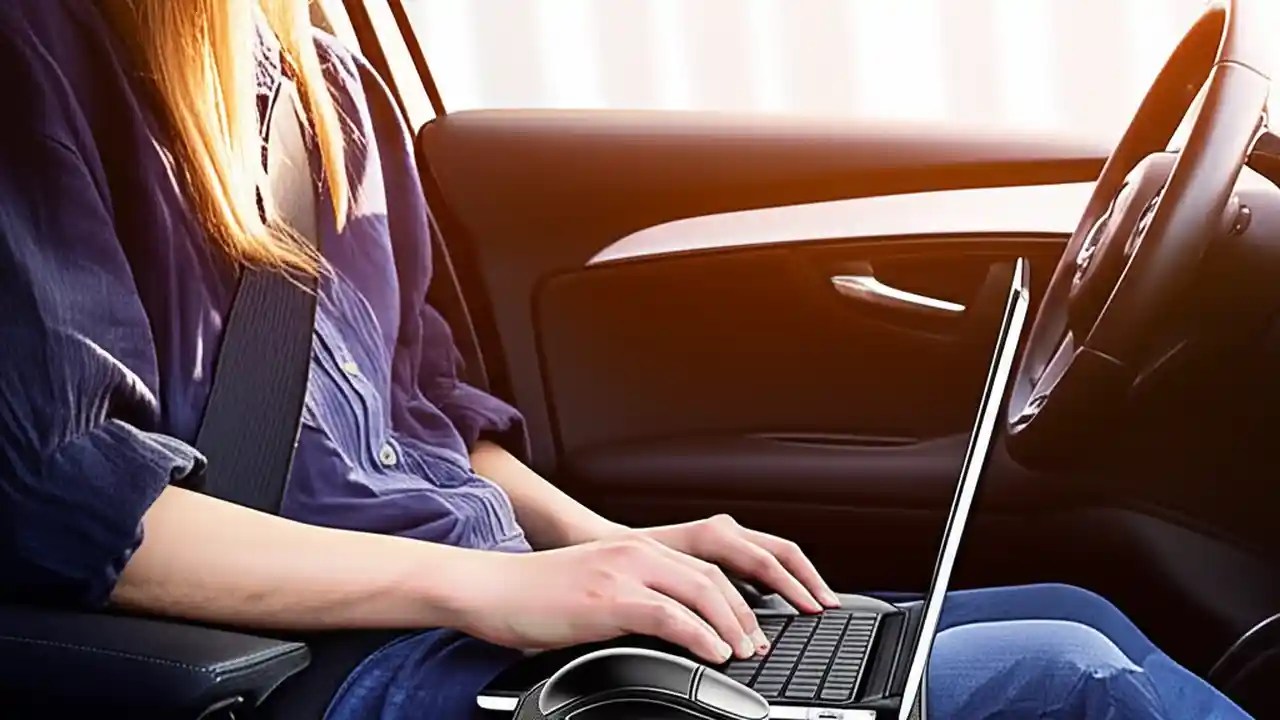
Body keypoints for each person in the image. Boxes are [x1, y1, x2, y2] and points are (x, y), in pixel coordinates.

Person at [0, 1, 1251, 718]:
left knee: (1080, 616)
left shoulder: (326, 78)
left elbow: (429, 411)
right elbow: (73, 502)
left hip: (482, 618)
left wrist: (610, 547)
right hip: (335, 664)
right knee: (1066, 683)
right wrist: (487, 593)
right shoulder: (42, 48)